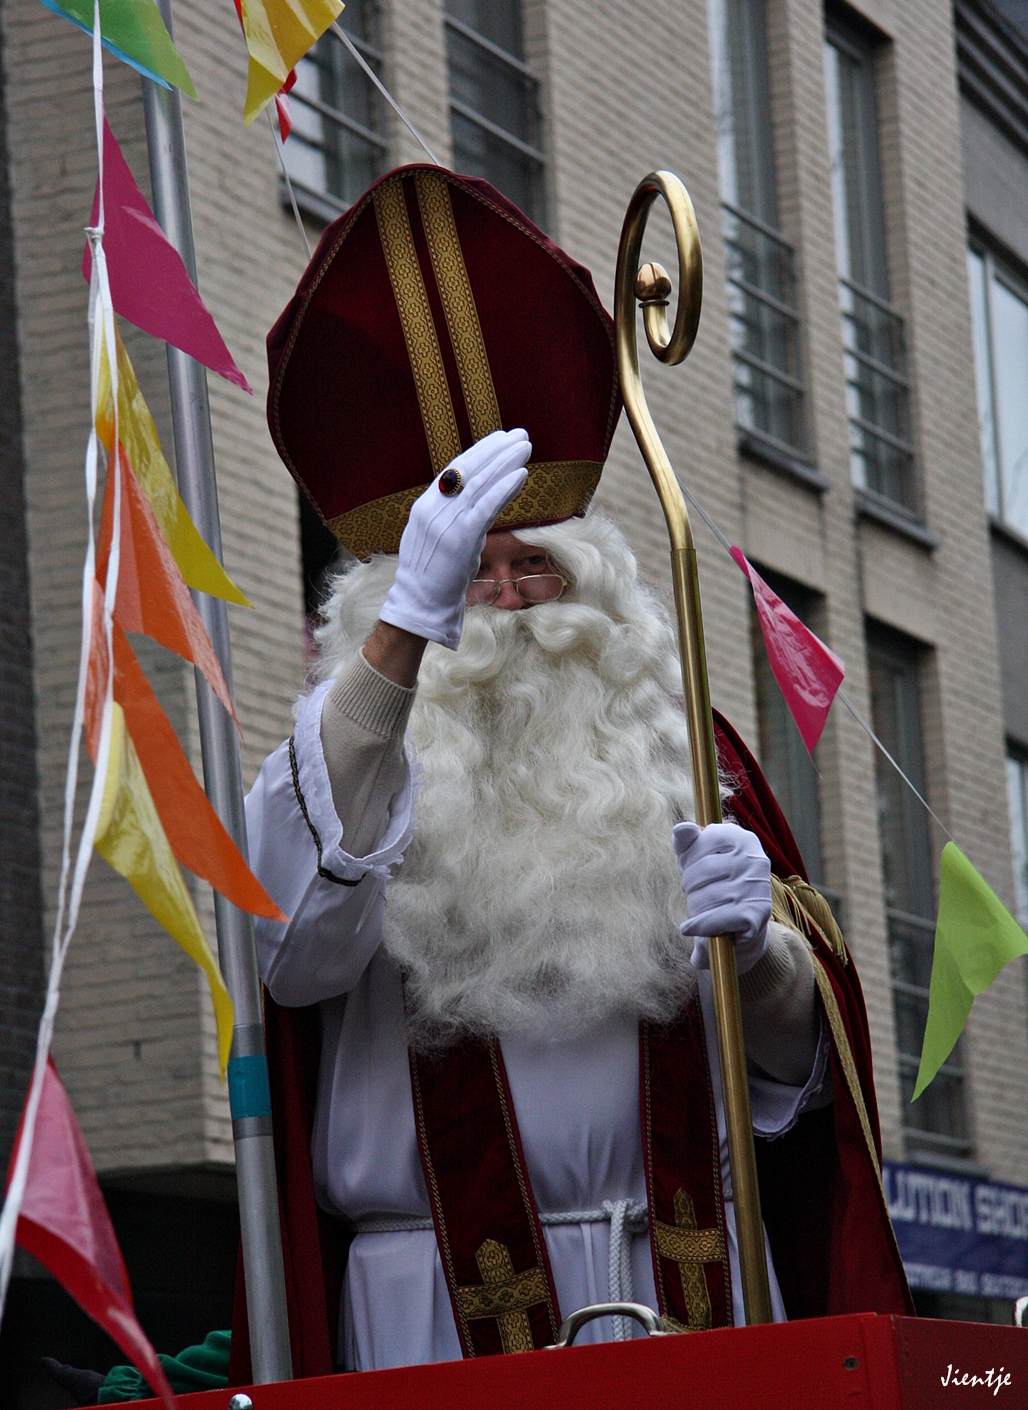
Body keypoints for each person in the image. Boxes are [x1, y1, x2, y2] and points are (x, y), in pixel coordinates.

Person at [226, 165, 910, 1379]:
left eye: (534, 563)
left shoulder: (679, 747)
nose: (506, 598)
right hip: (436, 1315)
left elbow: (798, 1088)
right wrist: (403, 643)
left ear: (596, 578)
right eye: (461, 570)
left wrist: (763, 960)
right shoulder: (349, 756)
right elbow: (286, 951)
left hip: (690, 1286)